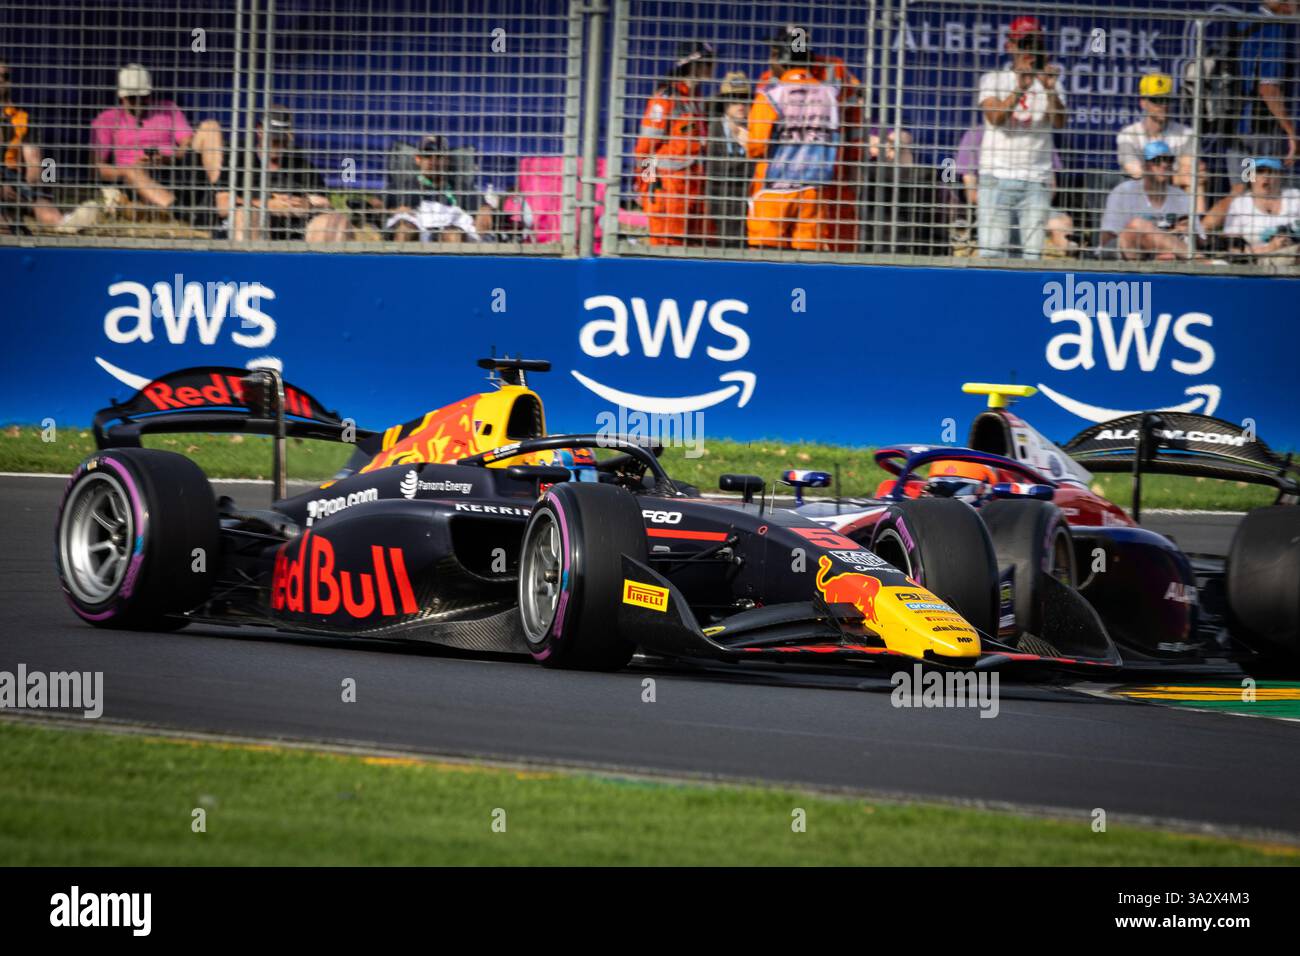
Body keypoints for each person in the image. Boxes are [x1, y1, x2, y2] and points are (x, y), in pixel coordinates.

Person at [758, 26, 863, 251]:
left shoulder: (834, 71)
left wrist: (852, 162)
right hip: (794, 175)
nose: (771, 57)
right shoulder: (770, 79)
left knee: (828, 241)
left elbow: (853, 120)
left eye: (775, 51)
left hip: (823, 172)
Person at [975, 18, 1067, 258]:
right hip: (996, 176)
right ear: (1010, 46)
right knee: (993, 254)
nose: (1030, 49)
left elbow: (1059, 122)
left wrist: (1049, 89)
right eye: (1025, 42)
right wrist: (1020, 88)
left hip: (1036, 179)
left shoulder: (1051, 82)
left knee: (1032, 256)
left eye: (1036, 42)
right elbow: (995, 117)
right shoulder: (993, 79)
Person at [91, 64, 224, 227]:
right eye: (133, 98)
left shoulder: (168, 108)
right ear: (122, 97)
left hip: (173, 169)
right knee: (134, 172)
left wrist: (169, 158)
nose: (138, 103)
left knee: (210, 127)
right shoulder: (107, 119)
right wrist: (126, 169)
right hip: (135, 179)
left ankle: (218, 193)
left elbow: (186, 143)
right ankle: (183, 214)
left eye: (143, 97)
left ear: (150, 94)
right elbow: (96, 167)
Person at [746, 46, 839, 250]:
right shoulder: (830, 94)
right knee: (807, 258)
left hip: (775, 189)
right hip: (814, 189)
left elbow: (756, 147)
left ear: (781, 60)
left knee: (764, 257)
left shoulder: (771, 94)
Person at [216, 107, 350, 243]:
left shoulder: (301, 165)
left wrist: (307, 205)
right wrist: (267, 205)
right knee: (245, 216)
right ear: (259, 131)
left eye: (282, 139)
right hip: (254, 225)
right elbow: (222, 204)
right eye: (274, 139)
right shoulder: (239, 159)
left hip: (294, 229)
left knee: (337, 222)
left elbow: (324, 203)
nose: (278, 145)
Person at [633, 41, 715, 246]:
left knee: (698, 246)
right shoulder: (666, 98)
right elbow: (645, 149)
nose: (713, 67)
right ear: (694, 65)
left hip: (692, 184)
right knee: (668, 245)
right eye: (708, 62)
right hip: (668, 188)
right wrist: (647, 186)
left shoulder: (694, 98)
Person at [1222, 1, 1299, 195]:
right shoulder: (1272, 30)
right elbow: (1268, 87)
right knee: (1266, 195)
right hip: (1262, 133)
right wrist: (1291, 131)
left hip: (1236, 129)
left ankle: (1202, 225)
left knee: (1241, 192)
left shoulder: (1244, 24)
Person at [1117, 72, 1204, 210]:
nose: (1163, 105)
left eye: (1166, 99)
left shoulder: (1186, 134)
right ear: (1143, 103)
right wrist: (1177, 178)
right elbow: (1137, 173)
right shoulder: (1128, 134)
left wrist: (1178, 178)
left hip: (1174, 198)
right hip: (1139, 199)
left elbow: (1192, 173)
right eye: (1156, 100)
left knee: (1196, 182)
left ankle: (1196, 228)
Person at [1097, 141, 1197, 260]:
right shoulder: (1123, 192)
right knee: (1138, 225)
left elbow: (1201, 240)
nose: (1164, 165)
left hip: (1163, 254)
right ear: (1144, 166)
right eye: (1156, 161)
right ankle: (1198, 260)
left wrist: (1189, 231)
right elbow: (1107, 238)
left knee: (1167, 255)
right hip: (1121, 253)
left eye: (1168, 160)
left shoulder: (1181, 197)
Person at [383, 135, 491, 242]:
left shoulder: (461, 187)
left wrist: (485, 210)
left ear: (447, 160)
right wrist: (393, 211)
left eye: (439, 156)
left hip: (450, 231)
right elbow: (370, 202)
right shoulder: (402, 186)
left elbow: (484, 208)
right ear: (418, 159)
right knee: (404, 230)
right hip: (417, 229)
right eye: (428, 155)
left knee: (452, 234)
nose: (433, 161)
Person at [0, 60, 61, 231]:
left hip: (15, 180)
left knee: (50, 215)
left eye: (4, 76)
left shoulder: (22, 117)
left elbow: (40, 161)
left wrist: (30, 188)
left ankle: (60, 220)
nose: (0, 80)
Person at [1203, 157, 1300, 264]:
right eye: (1260, 171)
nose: (1266, 177)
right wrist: (1269, 248)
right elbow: (1233, 249)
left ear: (1280, 175)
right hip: (1258, 261)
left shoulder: (1295, 197)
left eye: (1271, 171)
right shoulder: (1240, 204)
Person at [704, 71, 750, 248]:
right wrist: (649, 181)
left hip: (745, 207)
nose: (740, 104)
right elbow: (648, 149)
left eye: (744, 99)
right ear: (723, 103)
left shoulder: (755, 130)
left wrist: (752, 147)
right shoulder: (710, 129)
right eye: (734, 99)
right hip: (717, 206)